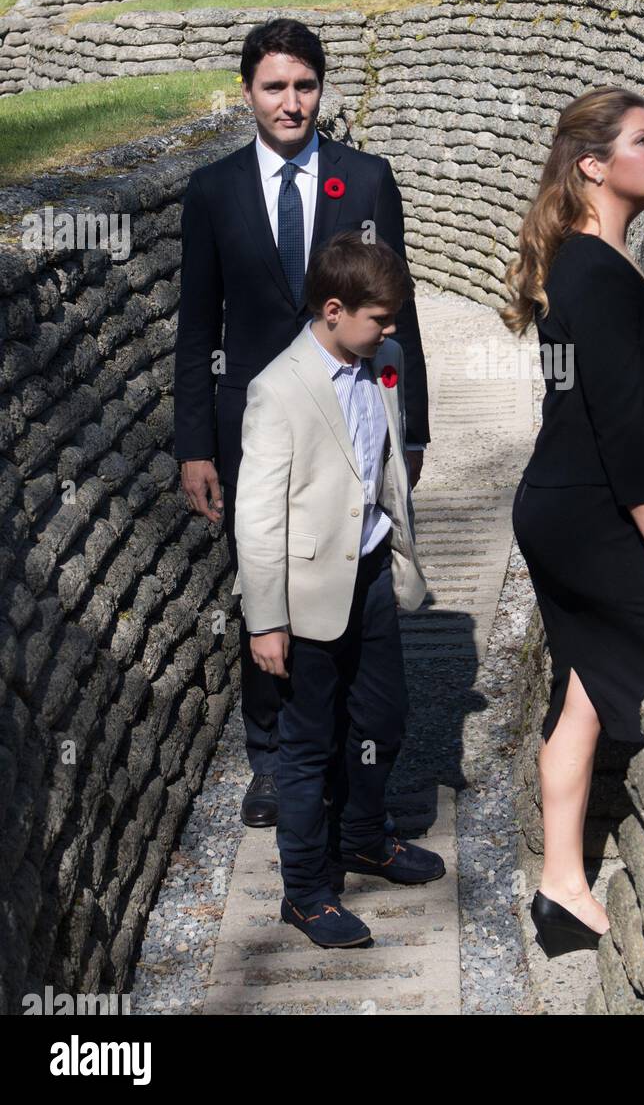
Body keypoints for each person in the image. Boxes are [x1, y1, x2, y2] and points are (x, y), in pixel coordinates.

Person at [173, 17, 430, 828]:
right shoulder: (213, 192)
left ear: (323, 88)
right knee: (265, 585)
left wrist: (410, 428)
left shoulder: (364, 180)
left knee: (351, 583)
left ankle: (353, 755)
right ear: (247, 93)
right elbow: (195, 326)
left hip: (351, 422)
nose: (291, 102)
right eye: (275, 87)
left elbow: (401, 315)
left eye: (305, 85)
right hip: (251, 427)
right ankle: (275, 760)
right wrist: (193, 447)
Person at [500, 86, 644, 958]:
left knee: (582, 696)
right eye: (643, 140)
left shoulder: (577, 266)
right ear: (594, 165)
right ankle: (589, 883)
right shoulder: (596, 271)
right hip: (592, 515)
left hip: (560, 507)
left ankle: (561, 889)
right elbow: (619, 427)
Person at [232, 230, 443, 947]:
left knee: (383, 721)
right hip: (301, 598)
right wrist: (265, 621)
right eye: (379, 318)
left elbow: (382, 466)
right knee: (308, 747)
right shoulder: (277, 390)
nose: (390, 331)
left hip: (373, 575)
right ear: (332, 309)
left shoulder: (383, 360)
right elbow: (256, 519)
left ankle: (364, 839)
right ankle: (306, 891)